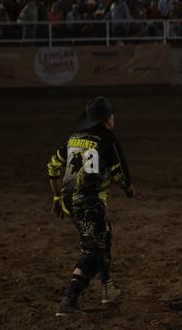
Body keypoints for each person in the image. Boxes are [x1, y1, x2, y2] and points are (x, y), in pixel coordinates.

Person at [47, 96, 135, 315]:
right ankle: (68, 301)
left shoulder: (72, 138)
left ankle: (108, 289)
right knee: (92, 252)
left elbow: (52, 167)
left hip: (69, 200)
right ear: (106, 120)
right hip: (89, 202)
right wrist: (128, 188)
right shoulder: (108, 139)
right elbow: (121, 172)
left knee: (103, 235)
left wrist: (57, 198)